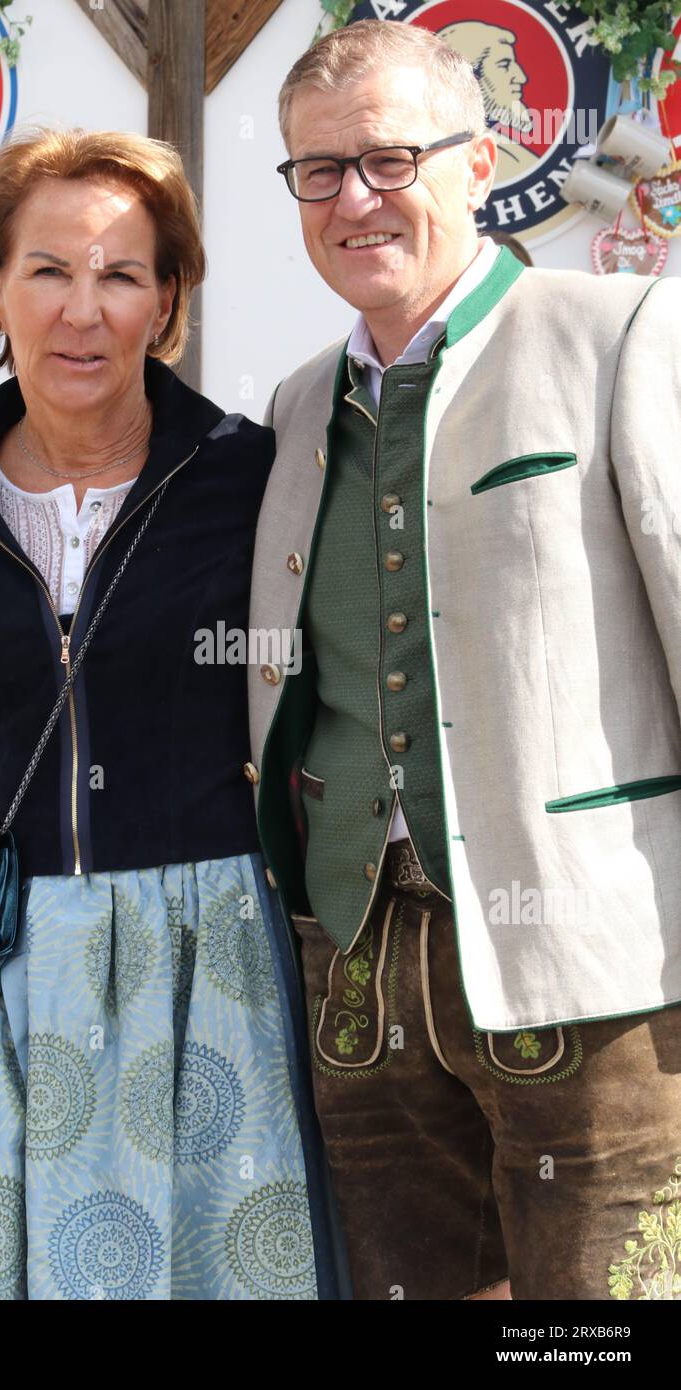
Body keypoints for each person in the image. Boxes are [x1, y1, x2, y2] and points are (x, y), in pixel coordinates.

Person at [0, 126, 341, 1301]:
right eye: (48, 270)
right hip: (3, 970)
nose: (80, 310)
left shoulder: (250, 477)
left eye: (120, 274)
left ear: (167, 300)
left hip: (212, 967)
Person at [243, 20, 681, 1300]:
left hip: (592, 967)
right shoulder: (290, 406)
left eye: (387, 158)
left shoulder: (619, 335)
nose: (354, 199)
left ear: (477, 160)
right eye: (317, 171)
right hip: (360, 980)